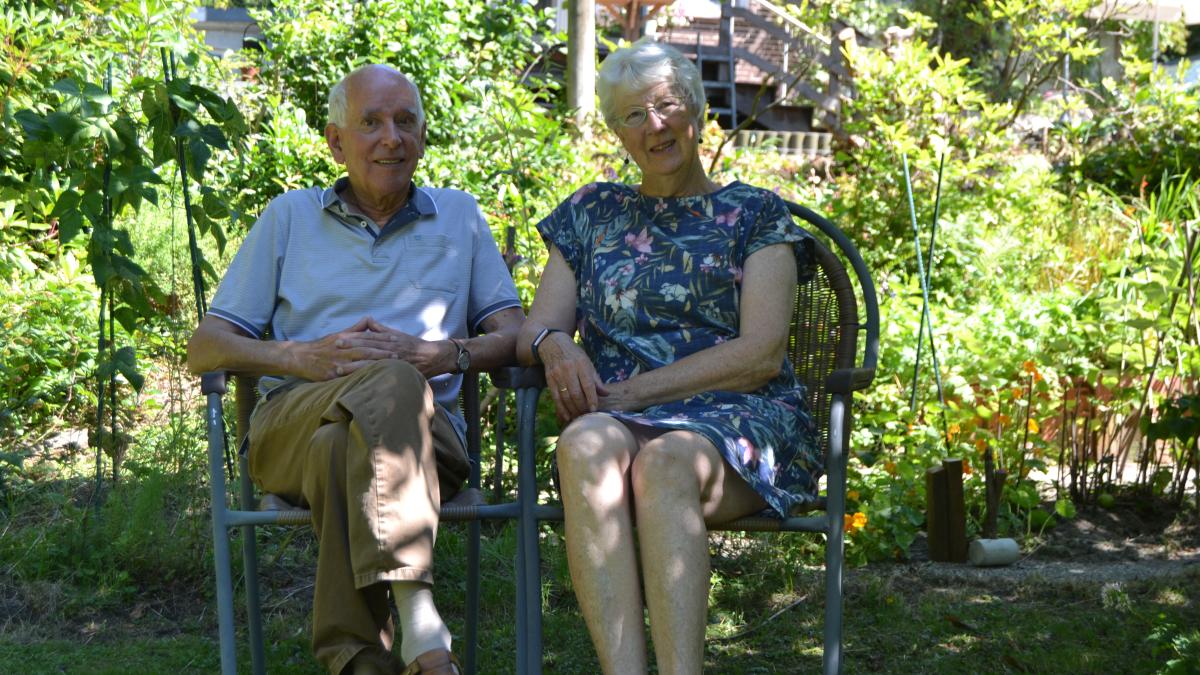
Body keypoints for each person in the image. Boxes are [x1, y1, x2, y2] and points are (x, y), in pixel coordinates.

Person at [187, 64, 524, 675]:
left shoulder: (459, 217)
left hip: (427, 440)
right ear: (335, 141)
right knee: (382, 388)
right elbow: (206, 346)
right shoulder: (289, 217)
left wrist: (439, 355)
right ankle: (419, 615)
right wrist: (298, 357)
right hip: (292, 417)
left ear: (422, 136)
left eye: (405, 122)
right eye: (370, 123)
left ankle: (360, 662)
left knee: (350, 435)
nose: (391, 138)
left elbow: (514, 334)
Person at [517, 39, 820, 674]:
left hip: (739, 416)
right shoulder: (591, 213)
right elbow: (537, 328)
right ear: (617, 132)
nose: (654, 125)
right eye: (633, 114)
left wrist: (634, 394)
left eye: (666, 104)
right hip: (617, 416)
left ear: (698, 109)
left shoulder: (754, 214)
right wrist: (556, 345)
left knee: (665, 461)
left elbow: (761, 354)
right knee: (580, 446)